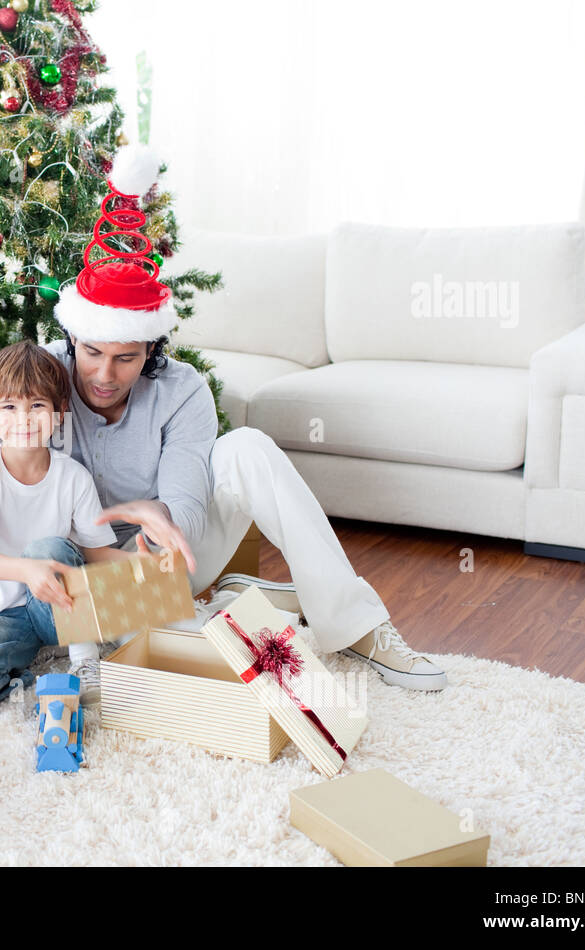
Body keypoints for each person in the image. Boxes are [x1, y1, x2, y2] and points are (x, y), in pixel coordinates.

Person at [46, 144, 447, 692]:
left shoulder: (181, 389)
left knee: (247, 447)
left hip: (170, 558)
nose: (105, 375)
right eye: (92, 353)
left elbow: (187, 512)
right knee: (160, 645)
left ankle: (357, 626)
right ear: (73, 337)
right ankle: (231, 602)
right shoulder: (42, 376)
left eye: (126, 358)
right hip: (82, 573)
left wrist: (159, 522)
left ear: (151, 349)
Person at [0, 342, 150, 712]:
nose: (24, 419)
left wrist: (134, 564)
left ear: (59, 412)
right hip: (0, 615)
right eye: (9, 407)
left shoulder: (73, 477)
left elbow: (94, 551)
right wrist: (26, 571)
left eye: (37, 405)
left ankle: (84, 659)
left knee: (47, 550)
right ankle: (29, 673)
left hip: (58, 608)